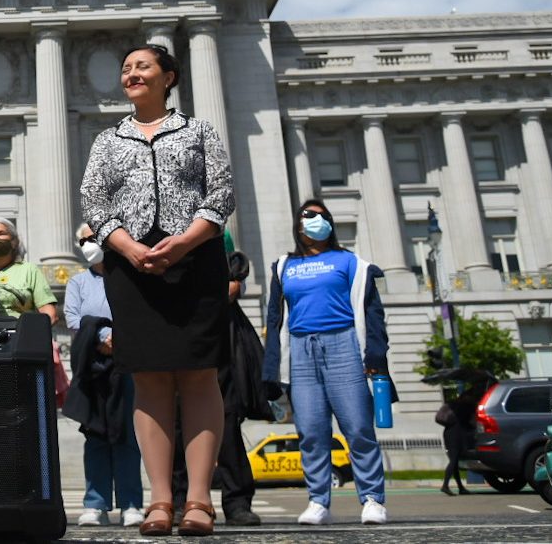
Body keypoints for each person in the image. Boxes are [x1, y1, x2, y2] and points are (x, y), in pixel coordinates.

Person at [78, 44, 234, 537]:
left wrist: (184, 242)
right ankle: (160, 500)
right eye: (125, 68)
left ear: (169, 77)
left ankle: (199, 501)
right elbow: (93, 199)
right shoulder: (108, 139)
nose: (131, 74)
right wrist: (127, 248)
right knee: (149, 379)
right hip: (132, 266)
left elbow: (222, 192)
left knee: (198, 376)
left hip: (195, 260)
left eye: (142, 66)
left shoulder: (200, 130)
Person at [261, 199, 391, 526]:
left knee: (358, 427)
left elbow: (373, 311)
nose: (315, 220)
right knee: (311, 431)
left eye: (322, 216)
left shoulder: (349, 262)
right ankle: (318, 501)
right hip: (302, 350)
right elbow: (275, 318)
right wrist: (271, 367)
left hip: (344, 343)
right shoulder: (283, 266)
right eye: (309, 215)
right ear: (298, 224)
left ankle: (373, 499)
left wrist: (375, 355)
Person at [171, 234, 263, 526]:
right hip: (177, 338)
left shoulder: (216, 232)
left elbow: (231, 284)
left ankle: (236, 501)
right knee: (175, 425)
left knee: (226, 422)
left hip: (217, 342)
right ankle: (177, 500)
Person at [62, 222, 143, 529]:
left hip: (125, 361)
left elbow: (136, 314)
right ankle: (95, 503)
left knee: (125, 435)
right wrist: (101, 336)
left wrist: (116, 337)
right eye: (82, 240)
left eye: (92, 238)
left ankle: (131, 503)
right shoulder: (78, 283)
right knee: (94, 436)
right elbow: (73, 318)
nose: (88, 245)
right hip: (92, 364)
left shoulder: (126, 278)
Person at [0, 216, 58, 324]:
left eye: (1, 233)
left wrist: (35, 333)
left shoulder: (29, 270)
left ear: (14, 241)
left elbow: (49, 312)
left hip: (22, 334)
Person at [437, 386, 477, 495]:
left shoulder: (453, 403)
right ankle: (445, 485)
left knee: (454, 461)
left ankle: (459, 487)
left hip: (449, 433)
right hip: (457, 435)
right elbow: (470, 423)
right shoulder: (467, 406)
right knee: (454, 461)